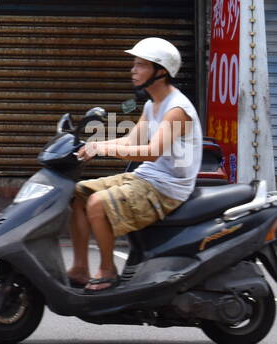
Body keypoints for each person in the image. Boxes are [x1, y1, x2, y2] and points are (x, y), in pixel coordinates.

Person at [66, 37, 203, 293]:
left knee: (98, 203)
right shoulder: (153, 105)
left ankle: (108, 271)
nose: (133, 70)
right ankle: (80, 268)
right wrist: (91, 144)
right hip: (146, 178)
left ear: (160, 72)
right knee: (78, 193)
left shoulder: (177, 109)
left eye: (140, 65)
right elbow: (132, 139)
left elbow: (152, 152)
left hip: (167, 188)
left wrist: (104, 149)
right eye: (134, 64)